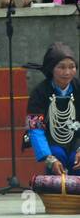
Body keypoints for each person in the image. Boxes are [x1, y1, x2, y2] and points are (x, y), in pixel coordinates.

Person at [26, 43, 80, 176]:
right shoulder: (39, 93)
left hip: (77, 141)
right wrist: (49, 158)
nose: (67, 72)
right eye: (61, 67)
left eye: (71, 67)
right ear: (51, 69)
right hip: (51, 142)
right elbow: (34, 127)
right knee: (57, 156)